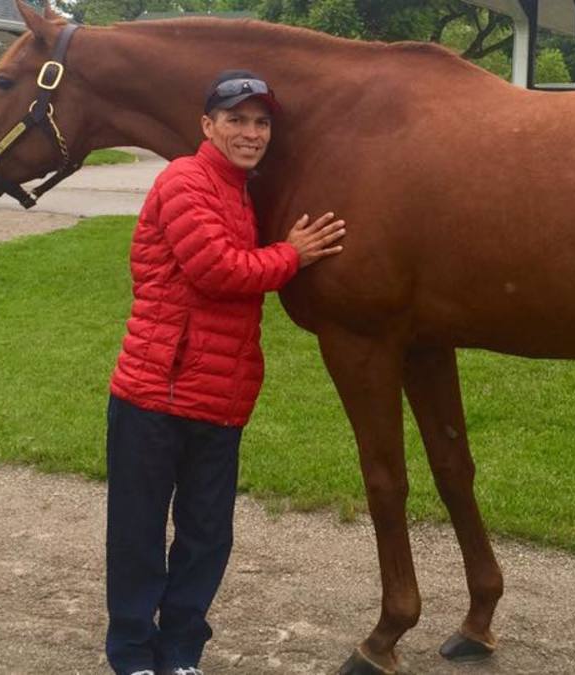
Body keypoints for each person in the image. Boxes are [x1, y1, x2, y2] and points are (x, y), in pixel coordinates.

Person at [103, 69, 345, 675]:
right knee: (138, 535)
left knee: (206, 537)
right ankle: (132, 654)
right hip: (155, 392)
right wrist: (293, 254)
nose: (251, 132)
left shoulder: (243, 192)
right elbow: (217, 270)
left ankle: (180, 653)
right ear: (207, 126)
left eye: (262, 122)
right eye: (237, 119)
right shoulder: (184, 179)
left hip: (220, 397)